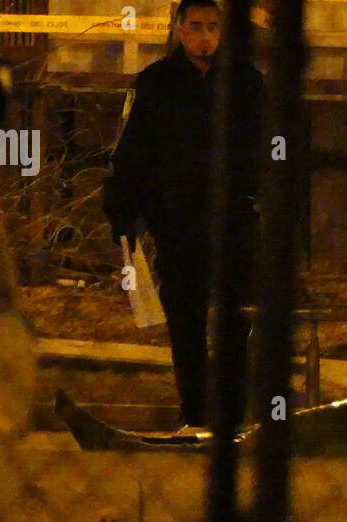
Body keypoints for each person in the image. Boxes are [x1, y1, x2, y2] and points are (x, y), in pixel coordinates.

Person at [102, 0, 264, 430]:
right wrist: (125, 213)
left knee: (235, 323)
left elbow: (272, 147)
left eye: (212, 27)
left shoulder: (246, 84)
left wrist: (260, 196)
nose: (205, 37)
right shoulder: (156, 84)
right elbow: (132, 152)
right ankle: (196, 414)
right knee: (186, 322)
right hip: (177, 222)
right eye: (196, 27)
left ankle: (229, 416)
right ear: (178, 29)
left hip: (232, 218)